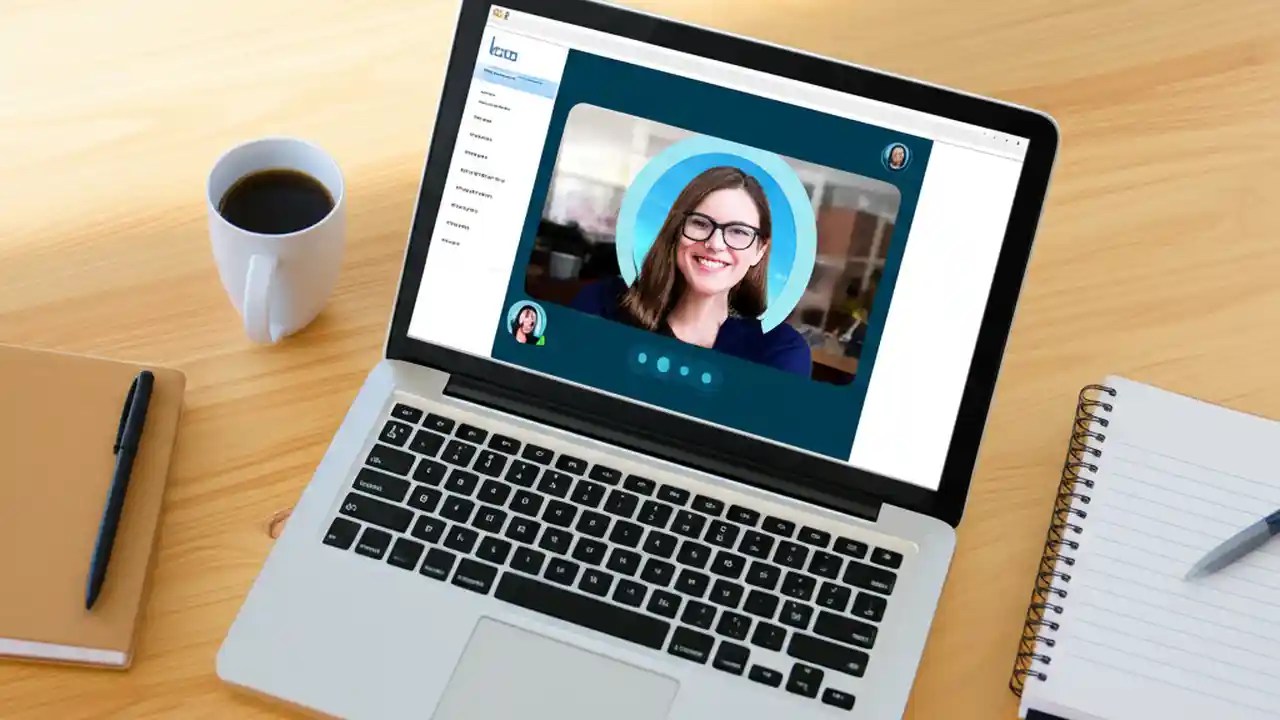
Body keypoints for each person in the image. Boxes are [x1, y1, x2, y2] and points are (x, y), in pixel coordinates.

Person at [572, 166, 810, 375]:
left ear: (759, 250)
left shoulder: (779, 351)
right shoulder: (603, 304)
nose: (715, 244)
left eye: (738, 232)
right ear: (677, 230)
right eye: (700, 223)